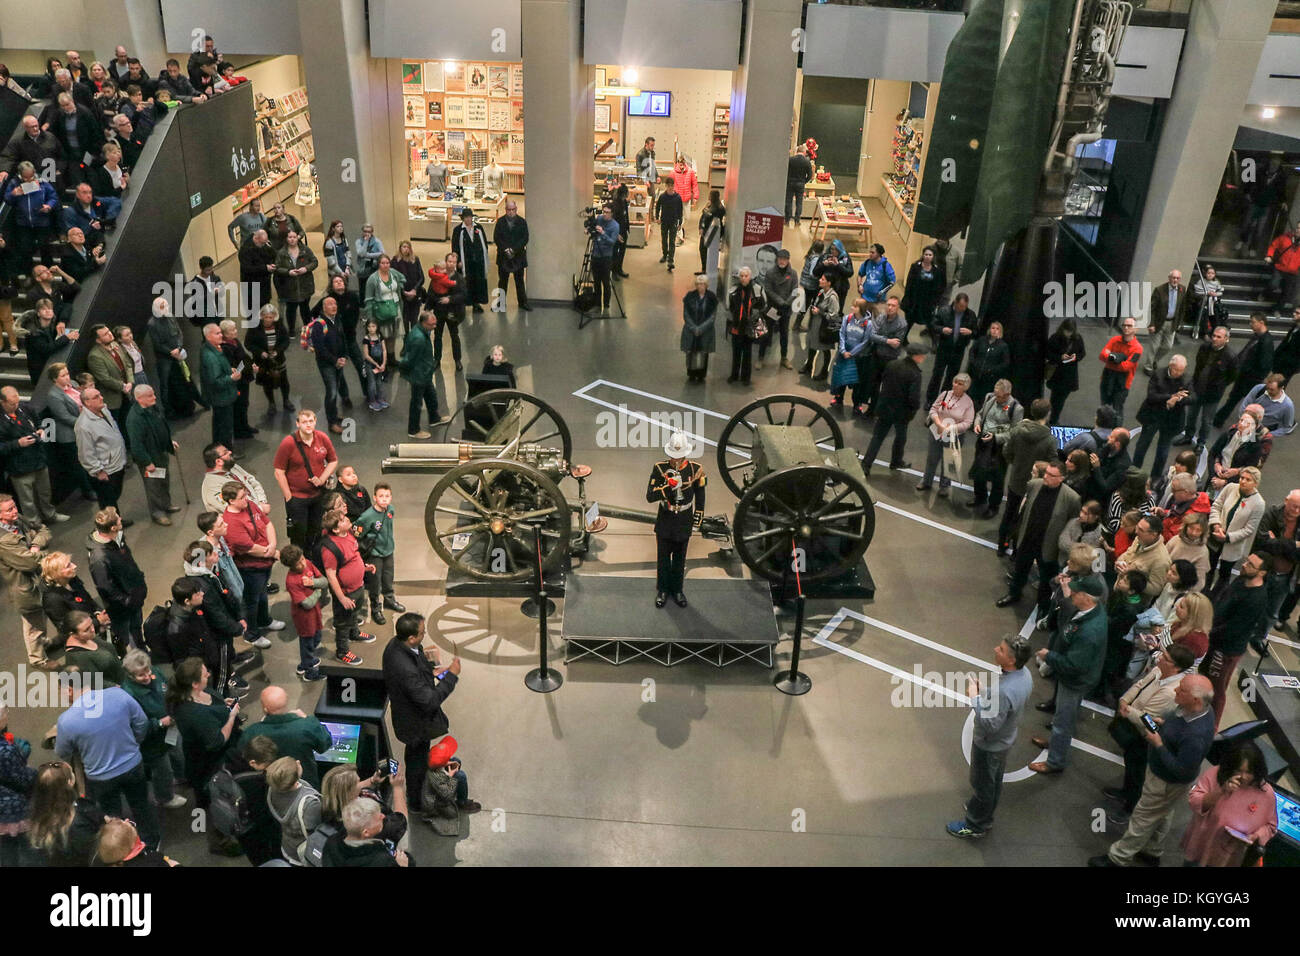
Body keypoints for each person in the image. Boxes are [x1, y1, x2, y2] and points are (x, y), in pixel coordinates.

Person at [1090, 673, 1216, 867]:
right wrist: (1165, 726)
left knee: (1142, 818)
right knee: (1163, 813)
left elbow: (1181, 770)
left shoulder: (1195, 736)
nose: (1175, 690)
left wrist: (1158, 744)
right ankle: (1152, 851)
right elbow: (1179, 733)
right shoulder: (1201, 711)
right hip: (1167, 782)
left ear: (1195, 699)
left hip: (1165, 781)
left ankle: (1118, 858)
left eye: (1181, 690)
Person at [54, 668, 160, 849]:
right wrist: (134, 742)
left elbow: (62, 752)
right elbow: (141, 722)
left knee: (111, 814)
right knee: (142, 805)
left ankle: (121, 848)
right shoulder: (119, 695)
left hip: (100, 777)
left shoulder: (66, 720)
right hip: (133, 765)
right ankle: (151, 843)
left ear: (69, 689)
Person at [945, 637, 1032, 839]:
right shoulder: (1024, 675)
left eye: (1001, 649)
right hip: (1005, 740)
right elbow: (1007, 704)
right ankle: (982, 809)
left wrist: (975, 697)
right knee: (993, 781)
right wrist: (986, 693)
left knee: (983, 784)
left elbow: (990, 724)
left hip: (990, 745)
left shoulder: (1004, 691)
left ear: (1011, 660)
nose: (995, 649)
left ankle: (976, 824)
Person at [1104, 643, 1197, 823]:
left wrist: (1128, 711)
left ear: (1176, 667)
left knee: (1138, 772)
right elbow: (1138, 685)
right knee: (1130, 764)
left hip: (1144, 738)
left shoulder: (1171, 692)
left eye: (1166, 658)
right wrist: (1125, 700)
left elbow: (1148, 719)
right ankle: (1125, 791)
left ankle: (1130, 807)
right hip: (1132, 725)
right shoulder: (1158, 671)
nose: (1160, 658)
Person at [382, 611, 462, 813]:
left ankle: (417, 791)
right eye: (421, 633)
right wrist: (451, 676)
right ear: (411, 638)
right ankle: (416, 801)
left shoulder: (395, 645)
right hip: (415, 723)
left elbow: (416, 669)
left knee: (416, 756)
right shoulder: (405, 669)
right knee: (416, 760)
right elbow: (430, 700)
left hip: (408, 714)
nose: (424, 635)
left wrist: (431, 669)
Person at [1028, 575, 1107, 774]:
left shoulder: (1090, 632)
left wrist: (1049, 656)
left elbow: (1074, 665)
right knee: (1063, 717)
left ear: (1087, 598)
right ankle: (1056, 744)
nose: (1072, 594)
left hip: (1075, 681)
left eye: (1076, 592)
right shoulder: (1092, 612)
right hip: (1080, 677)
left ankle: (1055, 761)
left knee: (1063, 720)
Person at [166, 657, 244, 855]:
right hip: (208, 765)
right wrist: (231, 716)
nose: (208, 674)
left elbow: (212, 703)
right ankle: (216, 839)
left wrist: (222, 704)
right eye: (204, 674)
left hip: (203, 760)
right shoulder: (194, 714)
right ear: (194, 683)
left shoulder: (200, 693)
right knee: (214, 801)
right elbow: (217, 740)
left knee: (204, 799)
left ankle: (199, 825)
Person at [997, 461, 1081, 613]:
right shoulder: (1034, 485)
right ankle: (1014, 594)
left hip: (1049, 546)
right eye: (1046, 473)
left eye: (1051, 475)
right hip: (1027, 539)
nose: (1046, 477)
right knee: (1020, 570)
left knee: (1046, 580)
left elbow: (1073, 524)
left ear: (1061, 478)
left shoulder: (1071, 498)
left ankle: (1043, 606)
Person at [1182, 741, 1278, 867]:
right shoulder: (1215, 774)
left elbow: (1271, 826)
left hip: (1230, 857)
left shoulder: (1266, 793)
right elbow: (1194, 801)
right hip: (1203, 844)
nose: (1243, 777)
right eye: (1238, 770)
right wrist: (1221, 791)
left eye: (1249, 772)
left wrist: (1256, 836)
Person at [1204, 551, 1270, 726]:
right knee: (1204, 676)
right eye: (1246, 561)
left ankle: (1212, 726)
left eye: (1250, 565)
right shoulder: (1241, 580)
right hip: (1214, 638)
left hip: (1226, 649)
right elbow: (1223, 601)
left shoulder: (1256, 598)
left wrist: (1209, 631)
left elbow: (1234, 628)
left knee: (1216, 689)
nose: (1244, 565)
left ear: (1262, 573)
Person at [645, 431, 708, 609]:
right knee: (663, 557)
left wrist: (698, 518)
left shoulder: (696, 470)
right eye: (673, 456)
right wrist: (666, 488)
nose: (676, 460)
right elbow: (649, 496)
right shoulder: (659, 468)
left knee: (680, 558)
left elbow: (700, 496)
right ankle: (663, 589)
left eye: (679, 456)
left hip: (684, 518)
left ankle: (678, 589)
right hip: (666, 517)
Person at [120, 649, 186, 810]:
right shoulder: (128, 696)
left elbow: (168, 686)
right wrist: (160, 723)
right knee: (163, 770)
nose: (148, 677)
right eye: (141, 675)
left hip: (170, 728)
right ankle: (164, 797)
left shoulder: (153, 672)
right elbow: (135, 728)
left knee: (178, 753)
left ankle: (181, 777)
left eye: (148, 671)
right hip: (152, 742)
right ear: (130, 676)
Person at [996, 398, 1059, 553]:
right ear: (1048, 414)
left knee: (1009, 513)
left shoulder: (1018, 430)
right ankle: (1016, 551)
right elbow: (1053, 463)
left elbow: (1007, 451)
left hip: (1016, 479)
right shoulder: (1050, 440)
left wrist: (1016, 463)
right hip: (1035, 484)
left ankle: (1001, 545)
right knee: (1025, 519)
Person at [274, 409, 339, 558]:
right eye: (304, 422)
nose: (308, 425)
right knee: (298, 533)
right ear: (298, 424)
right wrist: (289, 497)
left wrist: (322, 478)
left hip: (318, 495)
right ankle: (297, 562)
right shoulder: (288, 443)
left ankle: (312, 559)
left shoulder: (322, 438)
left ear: (315, 421)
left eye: (311, 421)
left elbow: (333, 460)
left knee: (316, 529)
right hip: (297, 497)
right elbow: (279, 472)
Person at [0, 493, 55, 669]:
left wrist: (35, 545)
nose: (15, 511)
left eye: (14, 507)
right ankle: (37, 659)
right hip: (23, 587)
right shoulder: (3, 541)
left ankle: (43, 645)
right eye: (9, 510)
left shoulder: (18, 520)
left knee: (40, 618)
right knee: (33, 623)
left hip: (37, 581)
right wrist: (44, 554)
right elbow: (29, 563)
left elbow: (44, 530)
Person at [242, 686, 333, 790]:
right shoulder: (307, 726)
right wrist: (307, 719)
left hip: (268, 787)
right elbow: (325, 744)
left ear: (265, 708)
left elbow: (244, 759)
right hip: (303, 784)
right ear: (286, 703)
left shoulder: (251, 732)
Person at [0, 386, 67, 524]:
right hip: (19, 466)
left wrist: (41, 430)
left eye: (17, 401)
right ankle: (34, 524)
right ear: (3, 402)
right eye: (12, 404)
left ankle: (50, 515)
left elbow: (39, 422)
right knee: (27, 501)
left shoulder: (25, 408)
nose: (16, 406)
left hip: (38, 459)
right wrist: (18, 443)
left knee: (45, 493)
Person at [86, 506, 147, 652]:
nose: (121, 520)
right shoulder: (99, 558)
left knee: (137, 628)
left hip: (134, 595)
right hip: (123, 607)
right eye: (119, 520)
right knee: (128, 634)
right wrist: (126, 601)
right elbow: (105, 586)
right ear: (113, 527)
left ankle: (140, 646)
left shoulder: (117, 538)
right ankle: (138, 657)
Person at [863, 344, 929, 477]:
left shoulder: (892, 364)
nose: (924, 358)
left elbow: (884, 382)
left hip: (885, 407)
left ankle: (866, 464)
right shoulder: (915, 373)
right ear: (917, 356)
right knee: (900, 437)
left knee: (878, 437)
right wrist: (913, 410)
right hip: (901, 413)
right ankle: (896, 461)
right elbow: (913, 398)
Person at [25, 761, 105, 867]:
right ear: (70, 782)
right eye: (72, 772)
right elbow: (94, 853)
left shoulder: (36, 816)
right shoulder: (80, 821)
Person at [320, 511, 373, 666]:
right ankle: (342, 651)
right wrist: (342, 598)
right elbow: (331, 575)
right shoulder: (330, 548)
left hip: (358, 586)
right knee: (342, 623)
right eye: (342, 520)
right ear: (336, 529)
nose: (347, 519)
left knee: (355, 612)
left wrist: (364, 567)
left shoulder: (348, 534)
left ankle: (354, 633)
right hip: (345, 592)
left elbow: (354, 554)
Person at [123, 384, 179, 526]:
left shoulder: (152, 408)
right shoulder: (135, 419)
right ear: (139, 399)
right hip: (150, 459)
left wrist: (168, 441)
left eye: (153, 394)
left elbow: (160, 427)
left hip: (160, 454)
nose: (154, 397)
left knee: (164, 481)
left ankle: (166, 504)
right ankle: (157, 513)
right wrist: (147, 463)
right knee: (153, 486)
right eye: (150, 395)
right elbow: (136, 445)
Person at [1206, 467, 1266, 593]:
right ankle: (1203, 592)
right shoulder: (1230, 488)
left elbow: (1249, 530)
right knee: (1207, 569)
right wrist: (1216, 525)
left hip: (1232, 546)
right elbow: (1216, 506)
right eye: (1242, 478)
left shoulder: (1259, 503)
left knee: (1224, 575)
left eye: (1248, 479)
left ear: (1256, 483)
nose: (1243, 481)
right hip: (1215, 537)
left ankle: (1216, 598)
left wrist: (1228, 537)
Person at [1132, 354, 1191, 479]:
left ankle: (1155, 477)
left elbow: (1192, 398)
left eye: (1182, 370)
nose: (1180, 373)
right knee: (1142, 445)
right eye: (1177, 370)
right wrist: (1171, 396)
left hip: (1172, 420)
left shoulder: (1187, 379)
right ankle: (1134, 471)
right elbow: (1151, 396)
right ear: (1171, 366)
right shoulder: (1158, 374)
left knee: (1163, 450)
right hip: (1153, 415)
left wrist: (1177, 400)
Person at [967, 380, 1022, 516]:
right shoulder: (989, 397)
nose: (996, 398)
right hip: (983, 441)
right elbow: (980, 414)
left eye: (999, 396)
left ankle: (993, 506)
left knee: (998, 478)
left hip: (1000, 447)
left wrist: (995, 437)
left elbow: (1014, 432)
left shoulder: (1016, 408)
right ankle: (980, 497)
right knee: (978, 471)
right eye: (995, 394)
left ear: (1007, 394)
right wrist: (977, 424)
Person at [1214, 313, 1273, 428]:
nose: (1250, 324)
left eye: (1253, 322)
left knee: (1241, 400)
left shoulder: (1266, 341)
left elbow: (1264, 364)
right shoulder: (1257, 336)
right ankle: (1219, 419)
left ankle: (1222, 420)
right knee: (1234, 399)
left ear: (1261, 322)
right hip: (1244, 375)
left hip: (1251, 378)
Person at [357, 482, 404, 626]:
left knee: (388, 578)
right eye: (381, 496)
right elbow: (357, 532)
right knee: (375, 583)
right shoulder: (367, 516)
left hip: (388, 551)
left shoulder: (390, 510)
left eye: (387, 496)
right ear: (374, 498)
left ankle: (390, 600)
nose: (384, 499)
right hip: (375, 554)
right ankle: (376, 609)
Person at [75, 387, 129, 512]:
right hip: (105, 470)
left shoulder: (104, 410)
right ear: (87, 402)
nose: (101, 398)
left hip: (117, 464)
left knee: (114, 497)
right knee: (107, 503)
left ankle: (117, 521)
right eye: (96, 397)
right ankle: (111, 528)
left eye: (100, 394)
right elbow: (85, 453)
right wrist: (98, 471)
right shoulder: (83, 425)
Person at [265, 756, 322, 865]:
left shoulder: (272, 788)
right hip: (303, 854)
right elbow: (314, 831)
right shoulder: (309, 803)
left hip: (287, 846)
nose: (298, 761)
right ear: (296, 776)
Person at [310, 295, 353, 435]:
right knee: (332, 391)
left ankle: (334, 414)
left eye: (334, 304)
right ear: (323, 308)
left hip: (338, 362)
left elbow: (343, 338)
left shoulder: (337, 320)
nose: (334, 306)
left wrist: (344, 356)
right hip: (327, 364)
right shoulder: (319, 324)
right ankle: (332, 423)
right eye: (329, 304)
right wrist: (335, 361)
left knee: (335, 388)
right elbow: (320, 349)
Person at [0, 703, 36, 865]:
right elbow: (22, 779)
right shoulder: (7, 750)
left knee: (5, 851)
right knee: (27, 850)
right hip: (12, 810)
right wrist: (37, 774)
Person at [926, 293, 977, 407]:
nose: (963, 309)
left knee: (951, 377)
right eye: (961, 307)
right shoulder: (944, 311)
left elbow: (976, 332)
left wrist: (970, 332)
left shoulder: (970, 315)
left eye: (965, 307)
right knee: (937, 375)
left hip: (958, 351)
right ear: (955, 303)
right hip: (944, 348)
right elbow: (933, 325)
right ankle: (930, 400)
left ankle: (944, 399)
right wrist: (942, 329)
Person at [1206, 410, 1270, 494]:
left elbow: (1250, 471)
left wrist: (1225, 482)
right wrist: (1214, 473)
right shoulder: (1228, 434)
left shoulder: (1255, 447)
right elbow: (1212, 454)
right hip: (1215, 478)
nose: (1242, 424)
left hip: (1233, 486)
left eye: (1247, 423)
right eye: (1241, 420)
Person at [244, 303, 292, 415]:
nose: (268, 320)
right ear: (261, 316)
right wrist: (260, 352)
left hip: (278, 359)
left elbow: (286, 341)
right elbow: (248, 343)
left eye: (271, 317)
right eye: (266, 317)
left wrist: (278, 351)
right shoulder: (254, 327)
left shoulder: (279, 325)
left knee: (284, 381)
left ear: (274, 316)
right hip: (263, 361)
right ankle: (271, 403)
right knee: (267, 383)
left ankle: (286, 400)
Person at [400, 310, 439, 439]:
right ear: (423, 323)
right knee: (417, 403)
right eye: (431, 325)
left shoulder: (421, 331)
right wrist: (406, 371)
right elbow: (410, 359)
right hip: (419, 374)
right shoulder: (419, 338)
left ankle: (434, 418)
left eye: (435, 324)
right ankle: (413, 429)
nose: (434, 327)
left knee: (431, 395)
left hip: (425, 372)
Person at [199, 323, 239, 449]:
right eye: (217, 333)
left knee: (218, 424)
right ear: (208, 336)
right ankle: (227, 452)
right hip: (221, 397)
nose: (221, 335)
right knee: (225, 427)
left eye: (220, 332)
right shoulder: (210, 357)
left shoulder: (213, 348)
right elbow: (215, 381)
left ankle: (217, 448)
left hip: (220, 397)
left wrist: (228, 369)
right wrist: (231, 378)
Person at [830, 300, 874, 414]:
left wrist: (852, 353)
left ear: (861, 309)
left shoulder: (868, 324)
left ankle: (857, 404)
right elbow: (842, 334)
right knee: (841, 377)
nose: (852, 307)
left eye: (855, 306)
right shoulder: (847, 318)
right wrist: (843, 350)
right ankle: (838, 398)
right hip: (844, 354)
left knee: (856, 381)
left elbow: (865, 342)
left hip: (857, 357)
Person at [86, 324, 135, 425]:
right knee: (120, 426)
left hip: (127, 394)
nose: (110, 334)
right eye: (105, 334)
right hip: (113, 399)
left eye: (109, 331)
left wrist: (130, 381)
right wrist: (123, 386)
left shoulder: (116, 345)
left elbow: (128, 364)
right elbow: (104, 379)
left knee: (131, 422)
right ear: (98, 340)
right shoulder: (94, 356)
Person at [1142, 269, 1188, 374]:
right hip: (1159, 322)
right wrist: (1152, 324)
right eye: (1173, 277)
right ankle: (1148, 367)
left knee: (1168, 346)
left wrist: (1180, 322)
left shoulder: (1182, 289)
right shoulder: (1159, 290)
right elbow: (1152, 309)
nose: (1175, 280)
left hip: (1172, 323)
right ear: (1169, 278)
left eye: (1177, 278)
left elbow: (1182, 307)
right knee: (1154, 346)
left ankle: (1154, 360)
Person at [726, 267, 765, 385]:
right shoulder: (733, 291)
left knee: (747, 353)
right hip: (737, 327)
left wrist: (755, 316)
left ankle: (745, 378)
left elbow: (763, 306)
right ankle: (734, 375)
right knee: (736, 353)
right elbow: (730, 308)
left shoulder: (757, 290)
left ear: (750, 276)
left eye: (746, 276)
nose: (743, 278)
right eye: (741, 276)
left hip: (749, 328)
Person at [274, 230, 317, 336]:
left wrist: (306, 269)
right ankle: (292, 330)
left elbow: (315, 262)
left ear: (298, 238)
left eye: (294, 237)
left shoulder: (305, 250)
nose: (292, 239)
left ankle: (308, 328)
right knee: (291, 309)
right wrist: (288, 272)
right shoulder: (282, 253)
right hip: (289, 286)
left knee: (305, 308)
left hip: (305, 284)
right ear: (286, 239)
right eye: (290, 237)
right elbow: (277, 268)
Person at [1099, 317, 1143, 421]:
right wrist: (1118, 359)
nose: (1126, 328)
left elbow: (1126, 367)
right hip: (1107, 379)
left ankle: (1116, 433)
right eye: (1124, 325)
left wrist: (1110, 357)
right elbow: (1101, 356)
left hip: (1122, 384)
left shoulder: (1137, 348)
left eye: (1129, 326)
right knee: (1104, 408)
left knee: (1117, 411)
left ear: (1136, 329)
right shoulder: (1114, 340)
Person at [759, 248, 797, 370]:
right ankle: (760, 358)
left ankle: (784, 358)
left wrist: (787, 302)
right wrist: (781, 301)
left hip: (786, 309)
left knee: (784, 334)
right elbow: (768, 290)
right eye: (780, 259)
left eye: (784, 259)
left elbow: (795, 290)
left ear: (788, 260)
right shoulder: (770, 273)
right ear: (777, 260)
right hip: (773, 309)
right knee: (766, 333)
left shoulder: (793, 273)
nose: (782, 261)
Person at [899, 246, 945, 341]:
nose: (927, 257)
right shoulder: (915, 267)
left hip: (927, 302)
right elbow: (909, 283)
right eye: (926, 254)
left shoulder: (937, 271)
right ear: (923, 255)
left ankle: (934, 343)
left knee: (929, 322)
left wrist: (936, 301)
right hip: (914, 300)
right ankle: (903, 339)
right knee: (909, 321)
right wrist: (907, 297)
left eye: (930, 255)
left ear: (933, 256)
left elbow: (939, 287)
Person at [800, 272, 840, 380]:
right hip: (816, 324)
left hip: (825, 327)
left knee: (825, 349)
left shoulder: (832, 297)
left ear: (829, 283)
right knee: (812, 345)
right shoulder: (821, 291)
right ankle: (808, 366)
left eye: (823, 279)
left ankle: (824, 372)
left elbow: (834, 315)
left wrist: (820, 312)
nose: (820, 280)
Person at [492, 200, 531, 311]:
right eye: (508, 210)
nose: (511, 212)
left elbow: (525, 238)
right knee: (502, 281)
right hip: (503, 256)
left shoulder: (522, 222)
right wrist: (506, 249)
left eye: (513, 209)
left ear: (516, 209)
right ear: (505, 210)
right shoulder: (500, 222)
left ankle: (522, 303)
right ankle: (501, 304)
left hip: (518, 256)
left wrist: (513, 250)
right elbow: (497, 238)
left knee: (519, 281)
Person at [681, 274, 718, 383]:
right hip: (691, 331)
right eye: (698, 284)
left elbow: (712, 317)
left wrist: (701, 329)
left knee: (703, 352)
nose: (700, 286)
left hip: (706, 331)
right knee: (691, 352)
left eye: (702, 284)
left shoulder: (712, 298)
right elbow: (686, 314)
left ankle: (701, 374)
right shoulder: (689, 297)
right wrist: (694, 328)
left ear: (706, 285)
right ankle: (691, 373)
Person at [451, 209, 489, 313]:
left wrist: (484, 258)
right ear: (463, 218)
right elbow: (454, 247)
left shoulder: (478, 228)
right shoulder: (458, 230)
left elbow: (484, 244)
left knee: (477, 282)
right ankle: (463, 303)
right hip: (465, 262)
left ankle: (476, 304)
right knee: (465, 283)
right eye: (466, 217)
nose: (468, 219)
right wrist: (457, 260)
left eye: (470, 217)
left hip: (478, 262)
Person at [238, 230, 277, 320]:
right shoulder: (245, 250)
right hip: (251, 286)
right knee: (253, 314)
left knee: (265, 309)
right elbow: (247, 268)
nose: (264, 245)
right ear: (256, 239)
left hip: (264, 284)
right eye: (263, 243)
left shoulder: (263, 245)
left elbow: (273, 255)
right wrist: (265, 268)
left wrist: (270, 249)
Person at [390, 239, 425, 337]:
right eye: (404, 247)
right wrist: (404, 292)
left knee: (414, 320)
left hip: (415, 294)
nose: (406, 249)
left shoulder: (415, 259)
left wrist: (414, 290)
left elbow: (421, 277)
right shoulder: (395, 261)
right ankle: (406, 341)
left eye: (408, 247)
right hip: (403, 295)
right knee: (405, 320)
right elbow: (394, 279)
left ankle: (413, 341)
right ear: (400, 248)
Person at [589, 202, 619, 315]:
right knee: (596, 281)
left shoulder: (615, 226)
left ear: (612, 213)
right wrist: (589, 229)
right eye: (603, 212)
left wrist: (603, 233)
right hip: (595, 254)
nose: (604, 214)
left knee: (605, 281)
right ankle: (597, 303)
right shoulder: (600, 219)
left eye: (607, 212)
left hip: (606, 257)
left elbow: (612, 242)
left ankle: (606, 304)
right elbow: (592, 226)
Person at [1264, 221, 1300, 310]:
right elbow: (1273, 245)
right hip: (1280, 267)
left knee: (1286, 293)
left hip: (1292, 271)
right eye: (1298, 227)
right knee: (1273, 284)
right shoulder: (1285, 238)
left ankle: (1277, 309)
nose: (1298, 230)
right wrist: (1269, 256)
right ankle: (1265, 293)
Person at [856, 243, 895, 315]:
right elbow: (860, 275)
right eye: (870, 252)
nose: (870, 254)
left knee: (876, 321)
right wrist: (860, 285)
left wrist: (882, 292)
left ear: (879, 254)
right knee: (863, 318)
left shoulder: (885, 266)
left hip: (878, 301)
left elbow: (892, 282)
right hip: (865, 297)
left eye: (872, 252)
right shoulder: (867, 263)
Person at [654, 176, 683, 271]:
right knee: (664, 240)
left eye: (672, 185)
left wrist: (680, 223)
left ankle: (671, 260)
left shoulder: (678, 198)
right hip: (664, 221)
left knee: (672, 241)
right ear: (666, 186)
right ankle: (664, 255)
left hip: (674, 222)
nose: (671, 187)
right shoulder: (662, 196)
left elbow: (680, 211)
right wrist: (657, 217)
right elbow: (658, 207)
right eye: (669, 185)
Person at [698, 189, 726, 276]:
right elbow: (703, 216)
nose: (709, 197)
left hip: (712, 233)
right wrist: (701, 227)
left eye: (710, 195)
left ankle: (708, 270)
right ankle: (704, 269)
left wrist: (706, 209)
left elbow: (707, 214)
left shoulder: (719, 208)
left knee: (708, 252)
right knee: (702, 250)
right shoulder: (710, 205)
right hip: (705, 231)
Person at [785, 145, 813, 226]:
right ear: (804, 152)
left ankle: (787, 220)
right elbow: (810, 175)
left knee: (788, 202)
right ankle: (797, 220)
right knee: (799, 203)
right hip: (800, 184)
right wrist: (804, 181)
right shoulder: (807, 161)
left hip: (790, 183)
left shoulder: (790, 159)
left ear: (797, 151)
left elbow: (786, 171)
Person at [1273, 306, 1300, 387]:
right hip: (1281, 363)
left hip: (1288, 367)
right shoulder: (1294, 327)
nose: (1294, 314)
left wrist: (1289, 370)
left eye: (1297, 313)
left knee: (1278, 387)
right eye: (1294, 312)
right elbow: (1285, 343)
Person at [610, 183, 632, 278]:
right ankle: (614, 272)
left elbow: (626, 216)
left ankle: (619, 269)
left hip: (623, 231)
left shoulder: (624, 202)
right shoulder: (615, 204)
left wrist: (627, 228)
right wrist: (616, 233)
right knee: (615, 252)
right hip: (617, 232)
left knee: (622, 251)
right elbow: (613, 220)